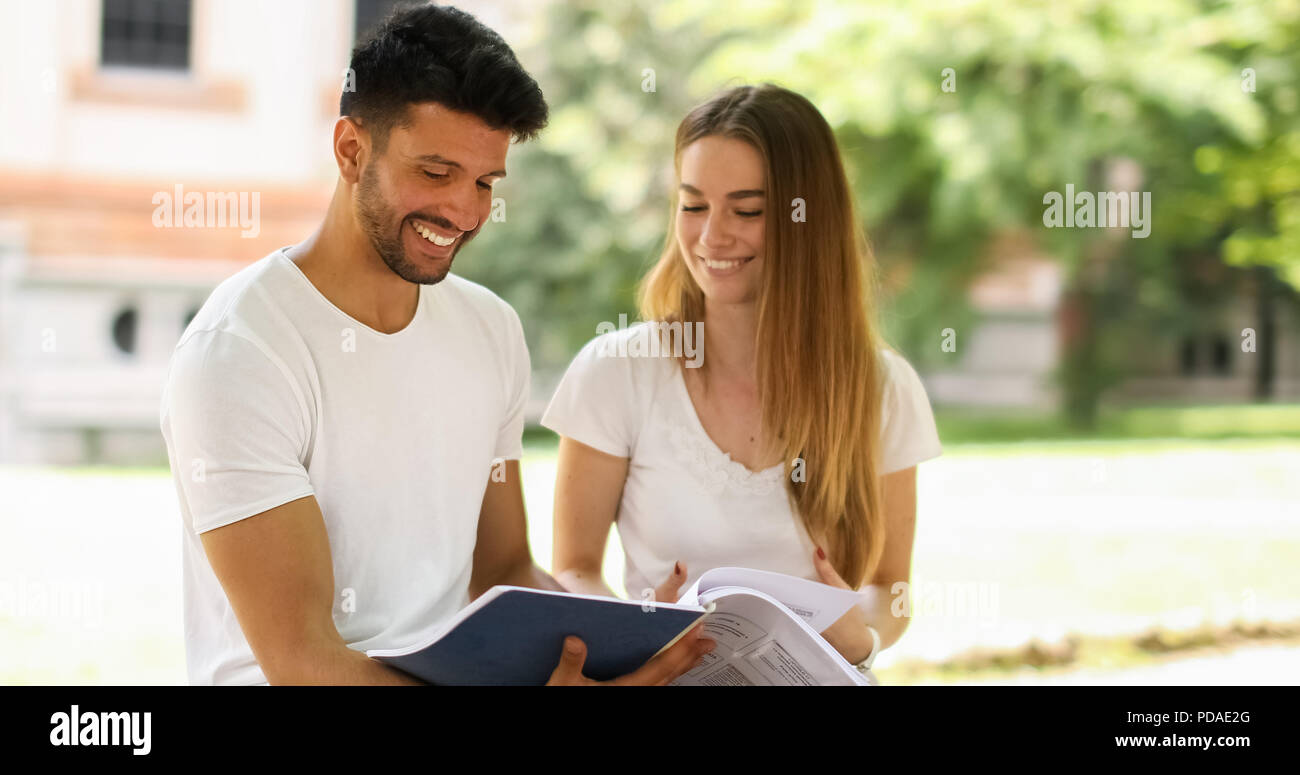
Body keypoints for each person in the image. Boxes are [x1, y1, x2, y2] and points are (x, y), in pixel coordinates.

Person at [160, 4, 712, 685]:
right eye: (436, 172)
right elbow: (305, 662)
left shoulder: (490, 331)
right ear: (351, 150)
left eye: (484, 182)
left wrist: (623, 638)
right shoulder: (240, 353)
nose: (465, 211)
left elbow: (503, 572)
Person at [543, 84, 941, 678]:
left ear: (808, 218)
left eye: (747, 210)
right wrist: (636, 632)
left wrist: (863, 637)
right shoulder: (616, 372)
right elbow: (573, 569)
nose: (711, 237)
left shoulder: (882, 387)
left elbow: (891, 589)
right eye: (693, 205)